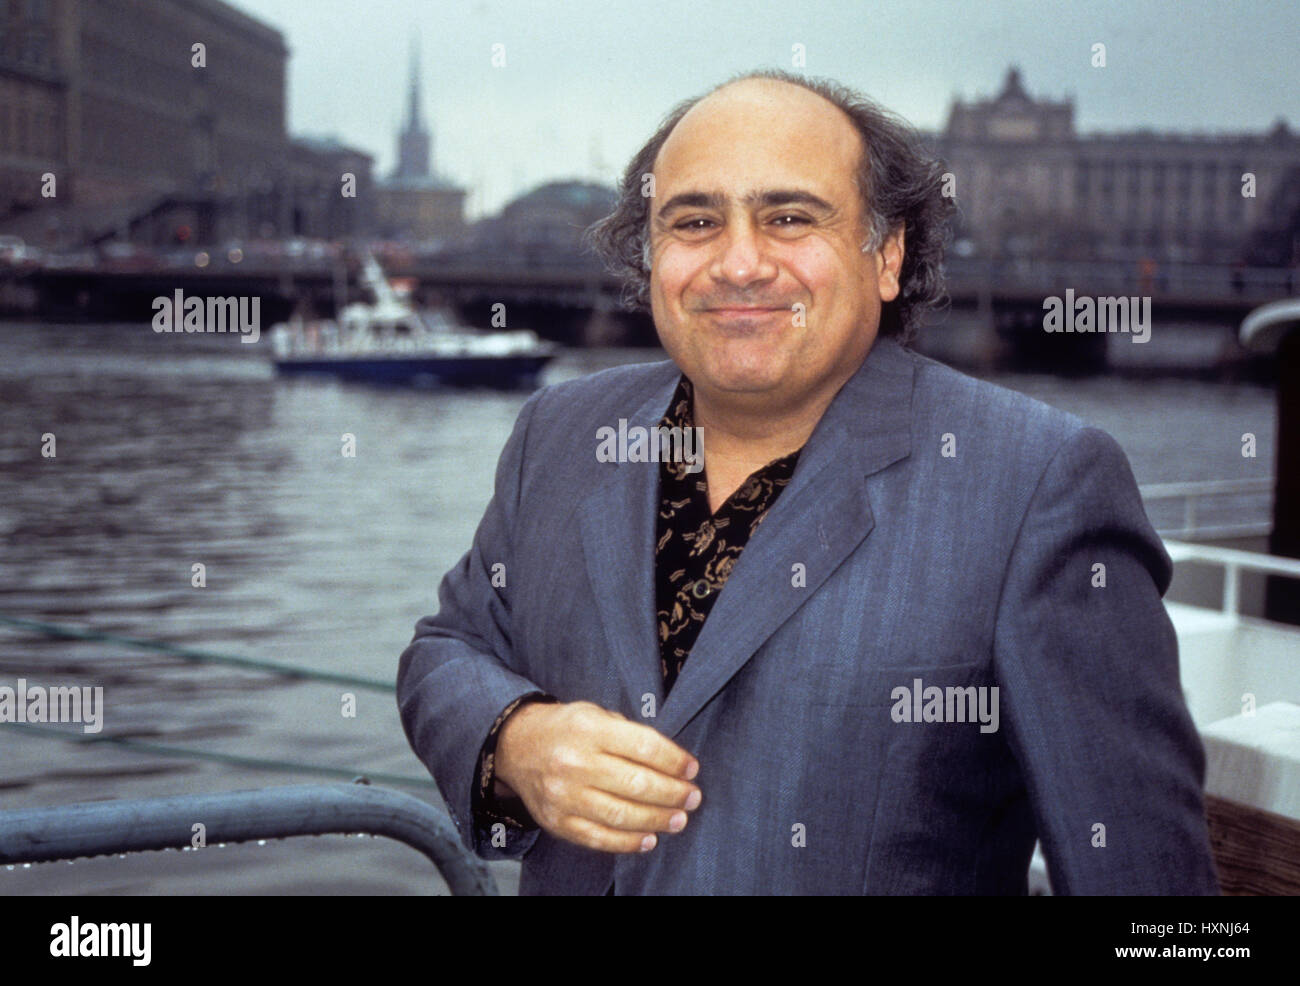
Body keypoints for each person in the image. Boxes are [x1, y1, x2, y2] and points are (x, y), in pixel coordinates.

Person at [396, 69, 1220, 895]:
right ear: (649, 257)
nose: (740, 263)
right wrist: (516, 741)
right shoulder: (562, 432)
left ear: (888, 253)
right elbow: (449, 648)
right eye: (695, 221)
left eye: (789, 218)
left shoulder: (1038, 485)